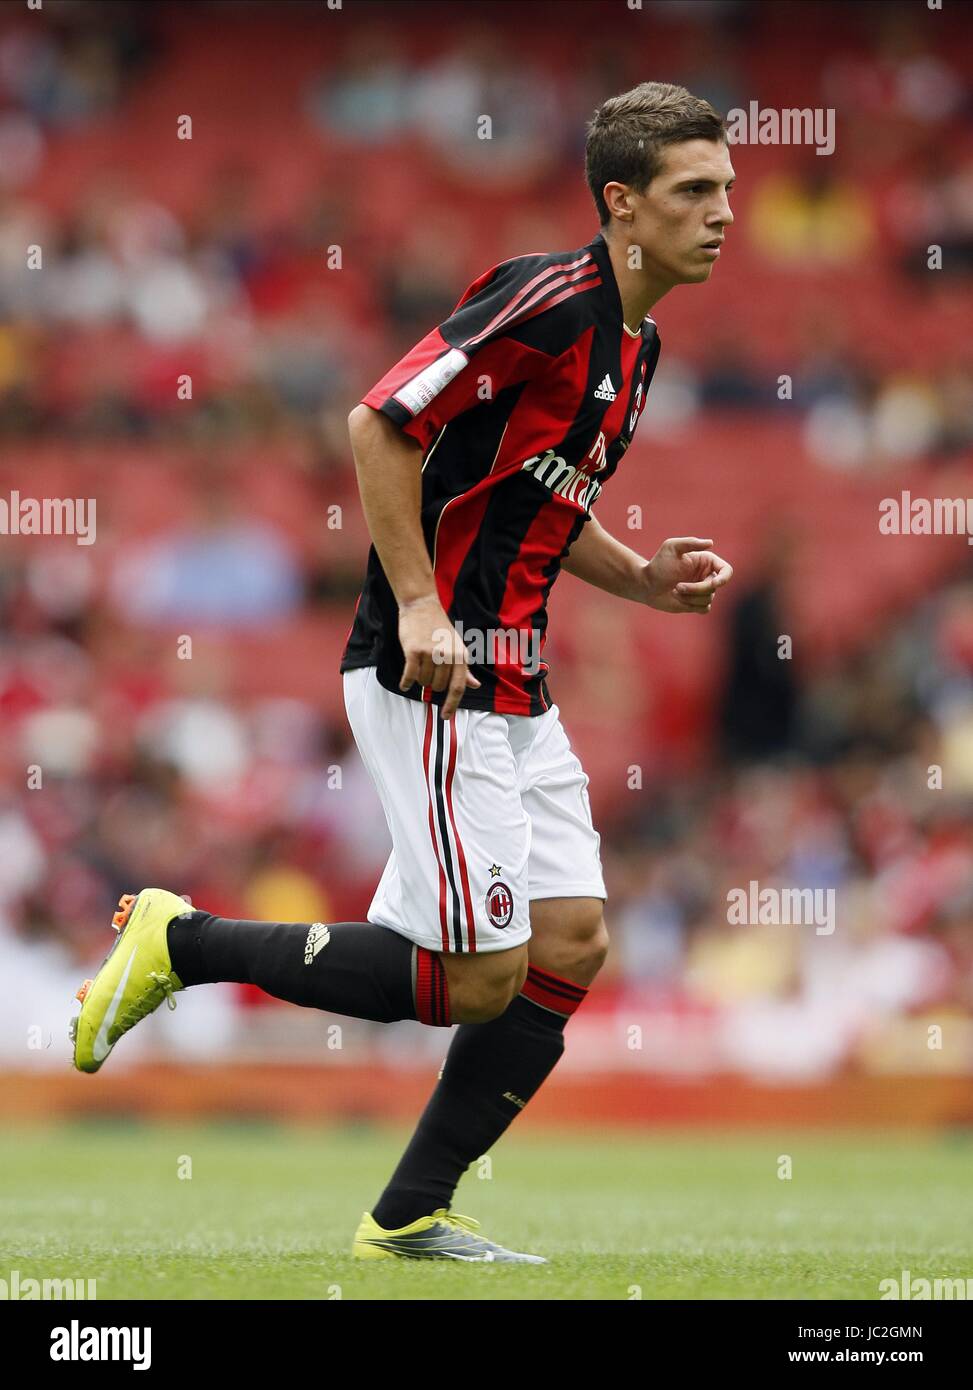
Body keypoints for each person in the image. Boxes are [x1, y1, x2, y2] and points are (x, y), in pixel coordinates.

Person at [71, 81, 735, 1264]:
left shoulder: (637, 344)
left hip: (522, 684)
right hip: (437, 670)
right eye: (694, 190)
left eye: (727, 187)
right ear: (622, 203)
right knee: (480, 980)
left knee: (571, 940)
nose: (722, 211)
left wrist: (640, 577)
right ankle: (179, 944)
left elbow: (532, 499)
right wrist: (424, 604)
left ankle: (409, 1212)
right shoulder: (544, 299)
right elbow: (379, 421)